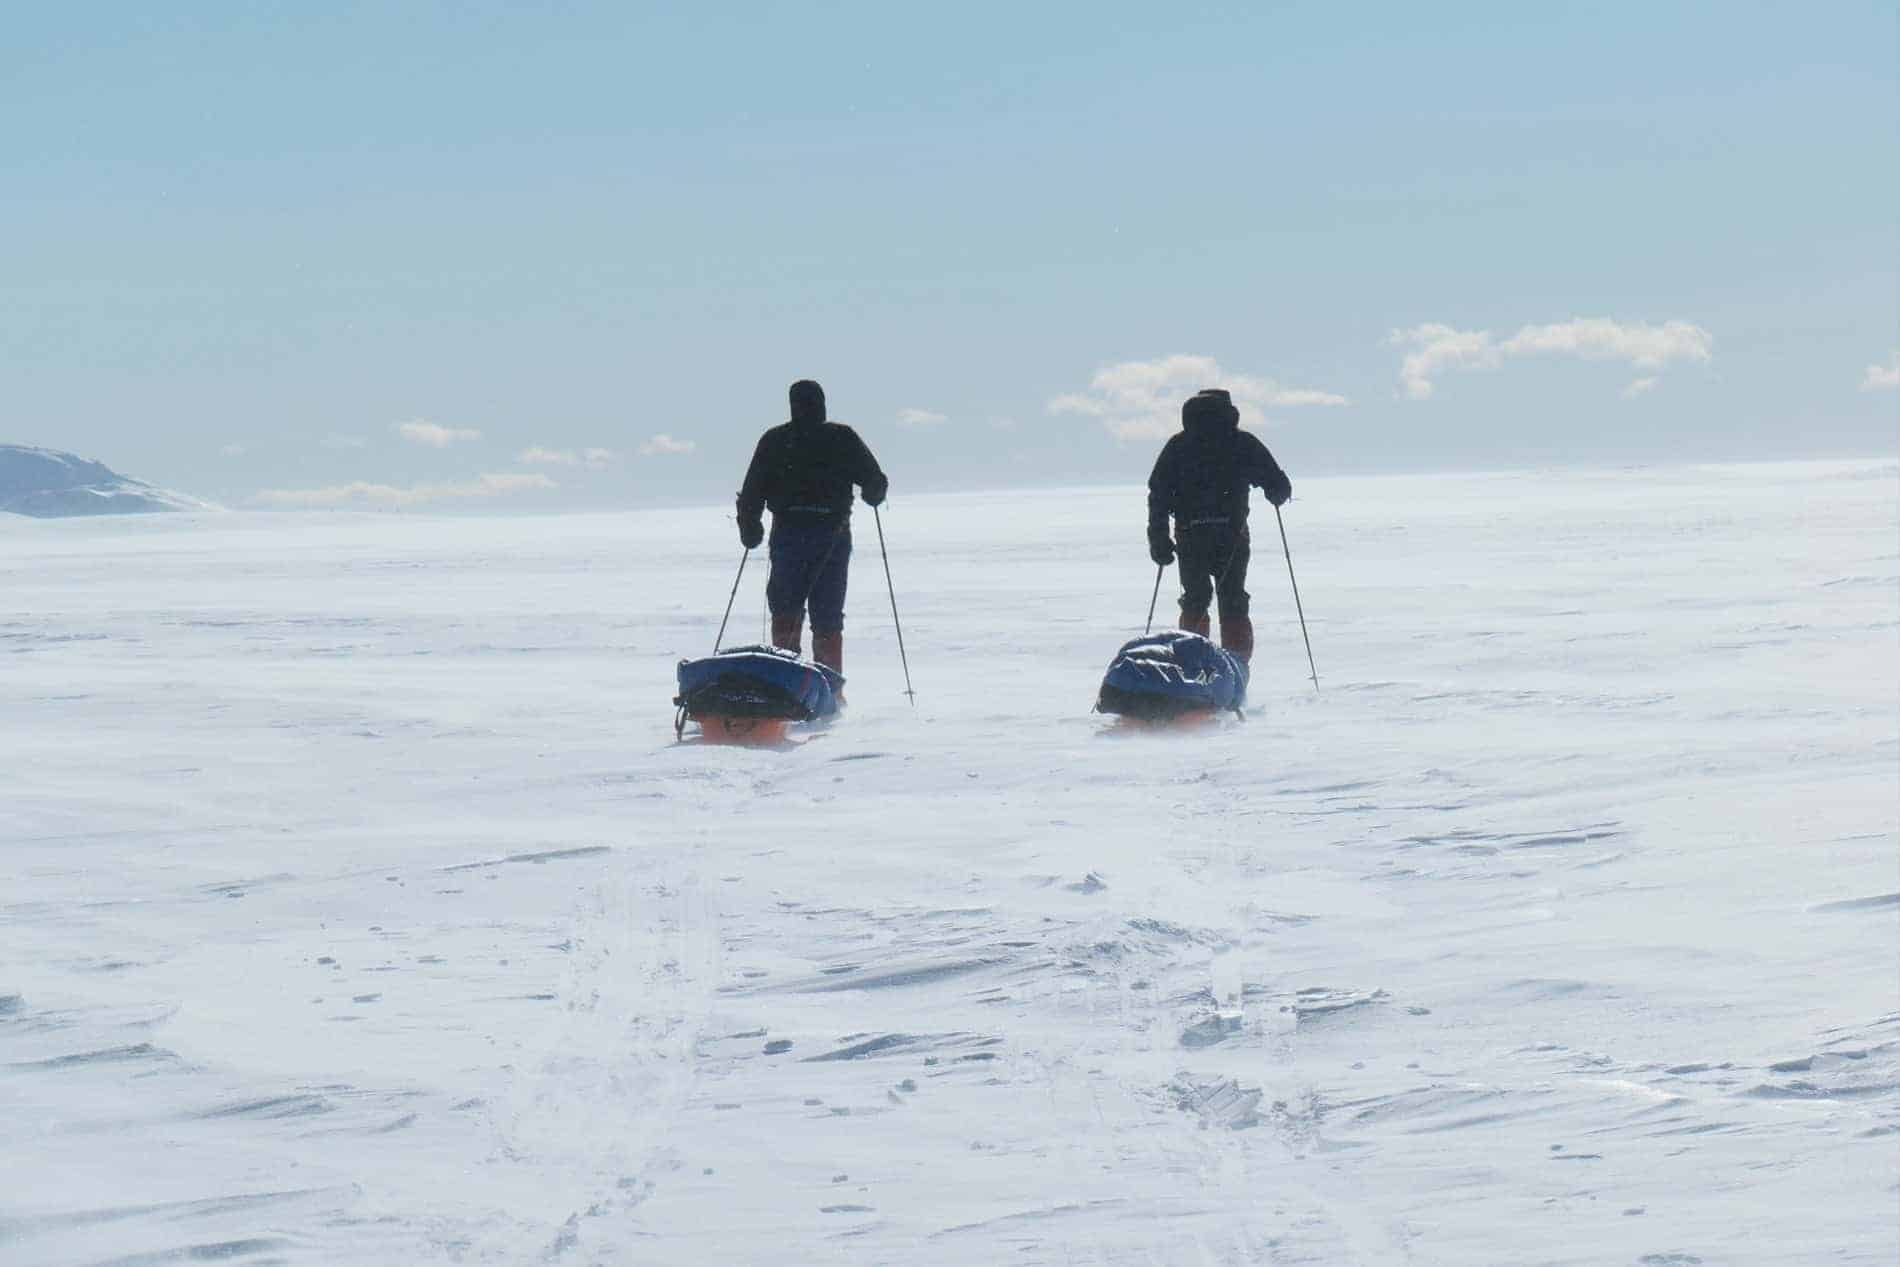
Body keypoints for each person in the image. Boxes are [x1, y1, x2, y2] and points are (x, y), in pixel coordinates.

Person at [735, 380, 888, 675]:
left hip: (791, 534)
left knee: (786, 608)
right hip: (830, 533)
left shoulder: (775, 440)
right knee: (826, 612)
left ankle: (787, 678)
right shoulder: (841, 437)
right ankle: (828, 683)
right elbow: (874, 480)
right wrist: (874, 491)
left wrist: (750, 526)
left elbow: (752, 491)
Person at [1145, 388, 1291, 664]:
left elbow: (1158, 494)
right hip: (1232, 534)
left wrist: (1158, 538)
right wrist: (1276, 492)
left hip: (1190, 535)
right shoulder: (1242, 442)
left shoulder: (1178, 445)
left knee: (1195, 599)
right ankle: (1235, 667)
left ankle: (1192, 667)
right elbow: (1278, 485)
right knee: (1233, 599)